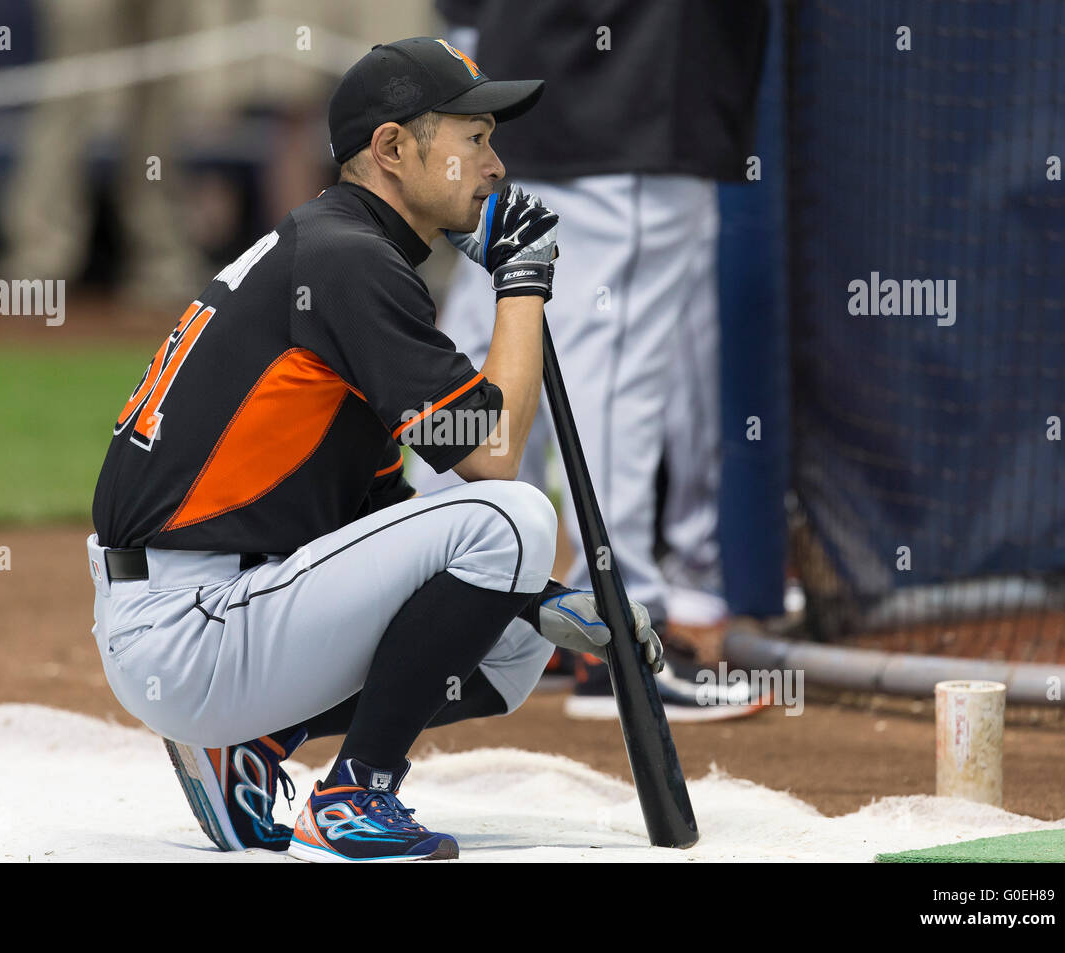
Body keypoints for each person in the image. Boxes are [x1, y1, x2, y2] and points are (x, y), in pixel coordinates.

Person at [86, 36, 662, 863]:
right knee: (515, 517)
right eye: (474, 139)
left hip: (202, 612)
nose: (495, 166)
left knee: (511, 644)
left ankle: (250, 748)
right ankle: (355, 796)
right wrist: (523, 283)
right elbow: (492, 454)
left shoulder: (338, 249)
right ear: (392, 148)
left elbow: (384, 514)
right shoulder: (350, 261)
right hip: (192, 627)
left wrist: (544, 602)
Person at [415, 0, 771, 721]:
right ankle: (618, 634)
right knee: (611, 375)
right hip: (626, 96)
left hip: (525, 89)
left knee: (491, 348)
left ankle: (444, 610)